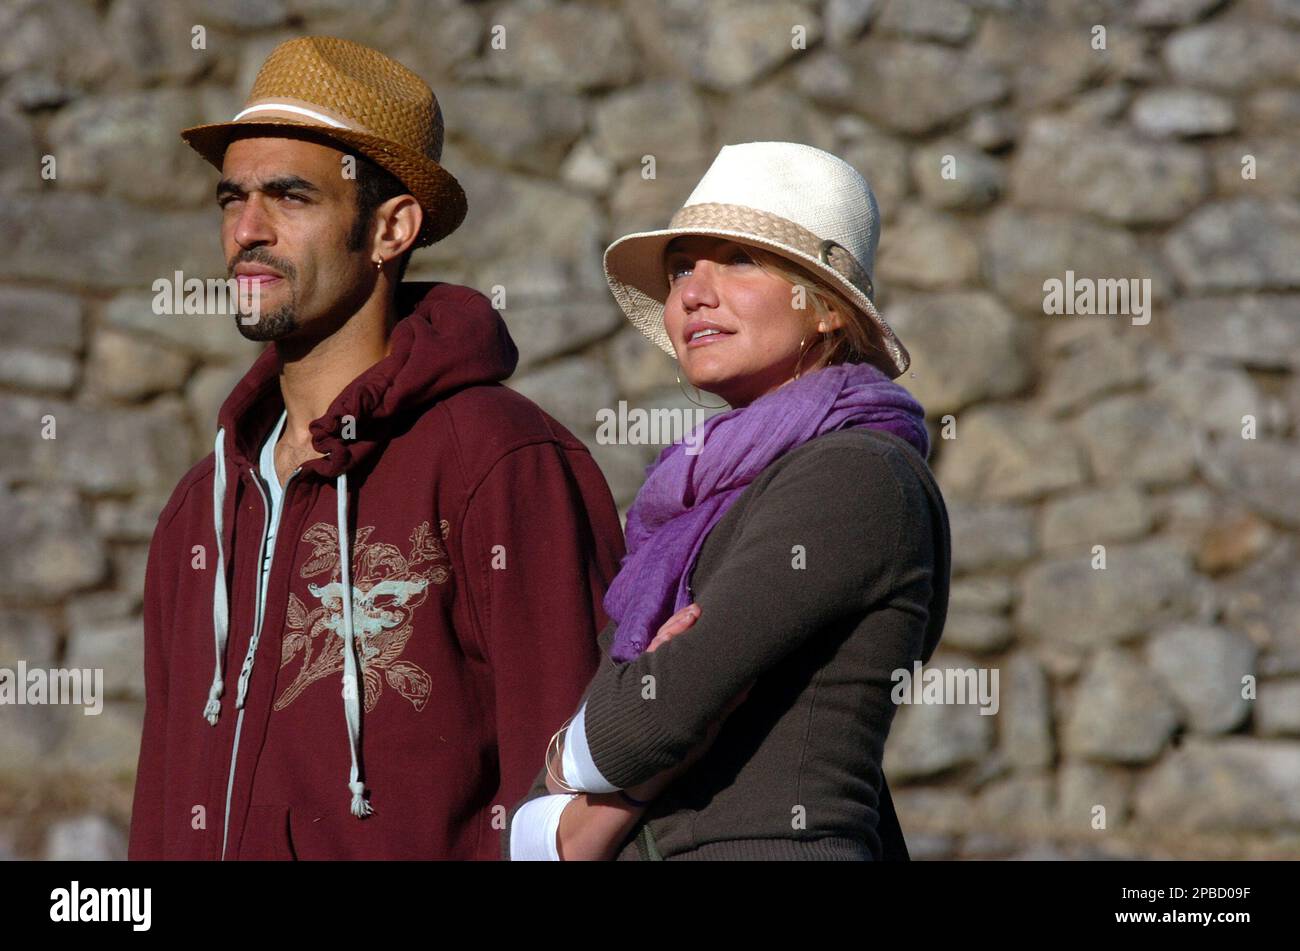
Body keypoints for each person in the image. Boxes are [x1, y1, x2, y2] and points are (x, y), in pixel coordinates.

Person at [127, 36, 624, 860]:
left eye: (290, 197)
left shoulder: (501, 460)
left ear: (390, 227)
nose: (246, 231)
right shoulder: (200, 509)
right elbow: (160, 808)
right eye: (232, 198)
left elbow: (571, 784)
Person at [503, 141, 951, 861]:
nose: (690, 293)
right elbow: (621, 739)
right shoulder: (701, 490)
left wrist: (572, 762)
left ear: (829, 309)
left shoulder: (855, 475)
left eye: (738, 260)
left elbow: (646, 721)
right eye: (683, 268)